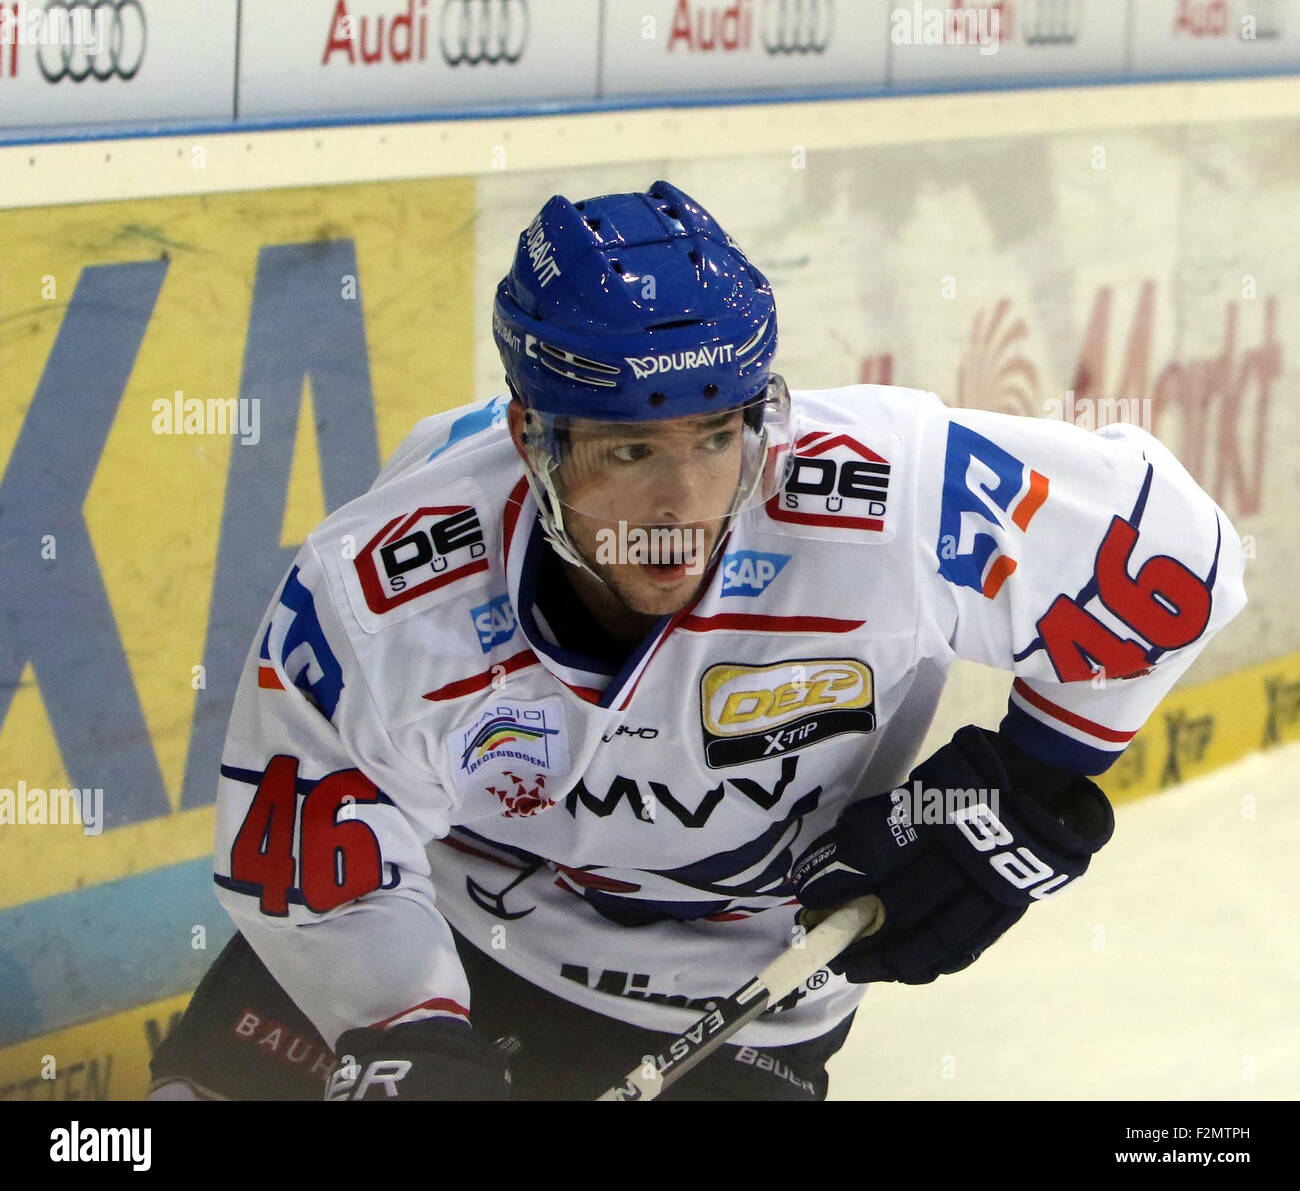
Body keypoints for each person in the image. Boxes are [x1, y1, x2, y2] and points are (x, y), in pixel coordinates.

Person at [148, 180, 1246, 1101]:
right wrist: (407, 1028)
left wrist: (1026, 780)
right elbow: (308, 843)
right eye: (628, 453)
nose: (682, 505)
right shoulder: (381, 584)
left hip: (749, 1000)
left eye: (716, 437)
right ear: (532, 434)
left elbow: (1172, 557)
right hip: (453, 935)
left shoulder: (887, 494)